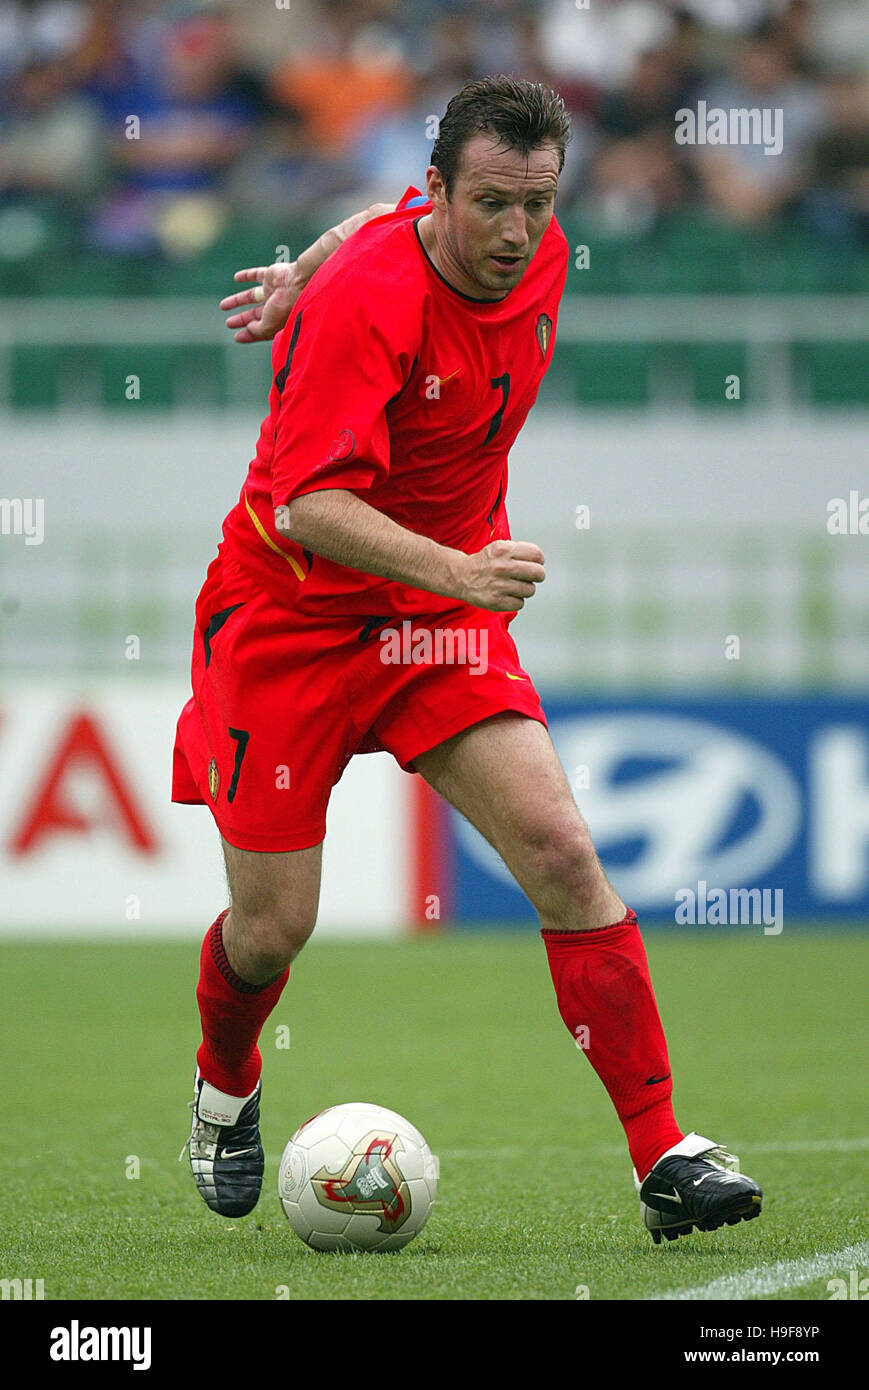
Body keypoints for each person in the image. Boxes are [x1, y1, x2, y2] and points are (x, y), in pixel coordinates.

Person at [173, 74, 762, 1244]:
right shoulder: (368, 303)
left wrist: (308, 259)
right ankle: (223, 1084)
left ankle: (664, 1155)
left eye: (537, 203)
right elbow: (307, 506)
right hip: (288, 620)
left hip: (432, 626)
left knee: (559, 849)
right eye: (490, 203)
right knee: (271, 929)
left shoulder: (523, 247)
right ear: (440, 190)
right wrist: (461, 571)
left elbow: (370, 214)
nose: (515, 233)